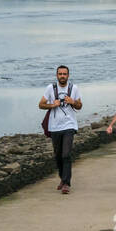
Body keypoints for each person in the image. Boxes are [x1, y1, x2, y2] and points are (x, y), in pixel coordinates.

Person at [39, 65, 82, 194]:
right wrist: (53, 104)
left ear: (68, 75)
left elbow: (80, 106)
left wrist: (73, 101)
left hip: (69, 126)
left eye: (64, 74)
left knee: (66, 154)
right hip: (54, 127)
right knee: (58, 156)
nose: (62, 76)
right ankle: (62, 179)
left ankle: (66, 184)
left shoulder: (74, 88)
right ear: (57, 75)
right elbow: (40, 104)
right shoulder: (50, 88)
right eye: (60, 74)